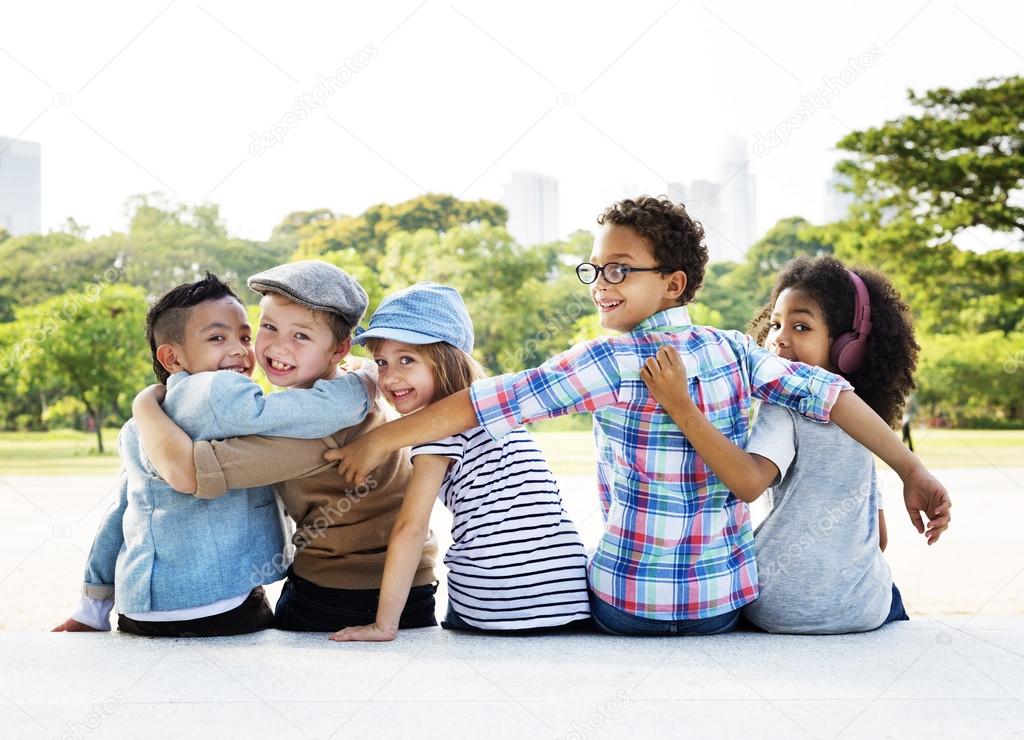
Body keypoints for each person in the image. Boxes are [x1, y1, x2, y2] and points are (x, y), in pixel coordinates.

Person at [326, 197, 951, 637]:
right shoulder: (736, 350)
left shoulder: (605, 360)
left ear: (673, 283)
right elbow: (833, 394)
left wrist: (383, 439)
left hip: (629, 607)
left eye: (619, 269)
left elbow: (486, 402)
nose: (601, 282)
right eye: (595, 269)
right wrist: (911, 469)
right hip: (717, 609)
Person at [54, 268, 374, 636]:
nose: (239, 350)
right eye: (217, 338)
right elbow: (318, 411)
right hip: (219, 603)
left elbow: (119, 516)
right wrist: (366, 379)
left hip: (142, 610)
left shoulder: (139, 425)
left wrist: (92, 607)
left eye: (245, 336)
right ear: (172, 358)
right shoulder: (219, 392)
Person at [128, 264, 440, 632]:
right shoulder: (342, 390)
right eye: (269, 327)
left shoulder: (314, 426)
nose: (277, 346)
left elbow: (190, 471)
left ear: (339, 349)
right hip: (412, 588)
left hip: (345, 592)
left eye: (301, 336)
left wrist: (145, 406)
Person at [641, 255, 932, 633]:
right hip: (863, 610)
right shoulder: (866, 424)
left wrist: (681, 406)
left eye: (801, 326)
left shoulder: (782, 407)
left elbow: (748, 483)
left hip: (775, 606)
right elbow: (879, 539)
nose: (779, 337)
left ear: (848, 345)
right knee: (889, 593)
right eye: (776, 324)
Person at [329, 283, 591, 642]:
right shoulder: (499, 414)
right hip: (567, 598)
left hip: (495, 607)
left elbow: (411, 529)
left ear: (447, 360)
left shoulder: (435, 433)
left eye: (406, 360)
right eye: (381, 362)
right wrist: (368, 366)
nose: (389, 377)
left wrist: (384, 625)